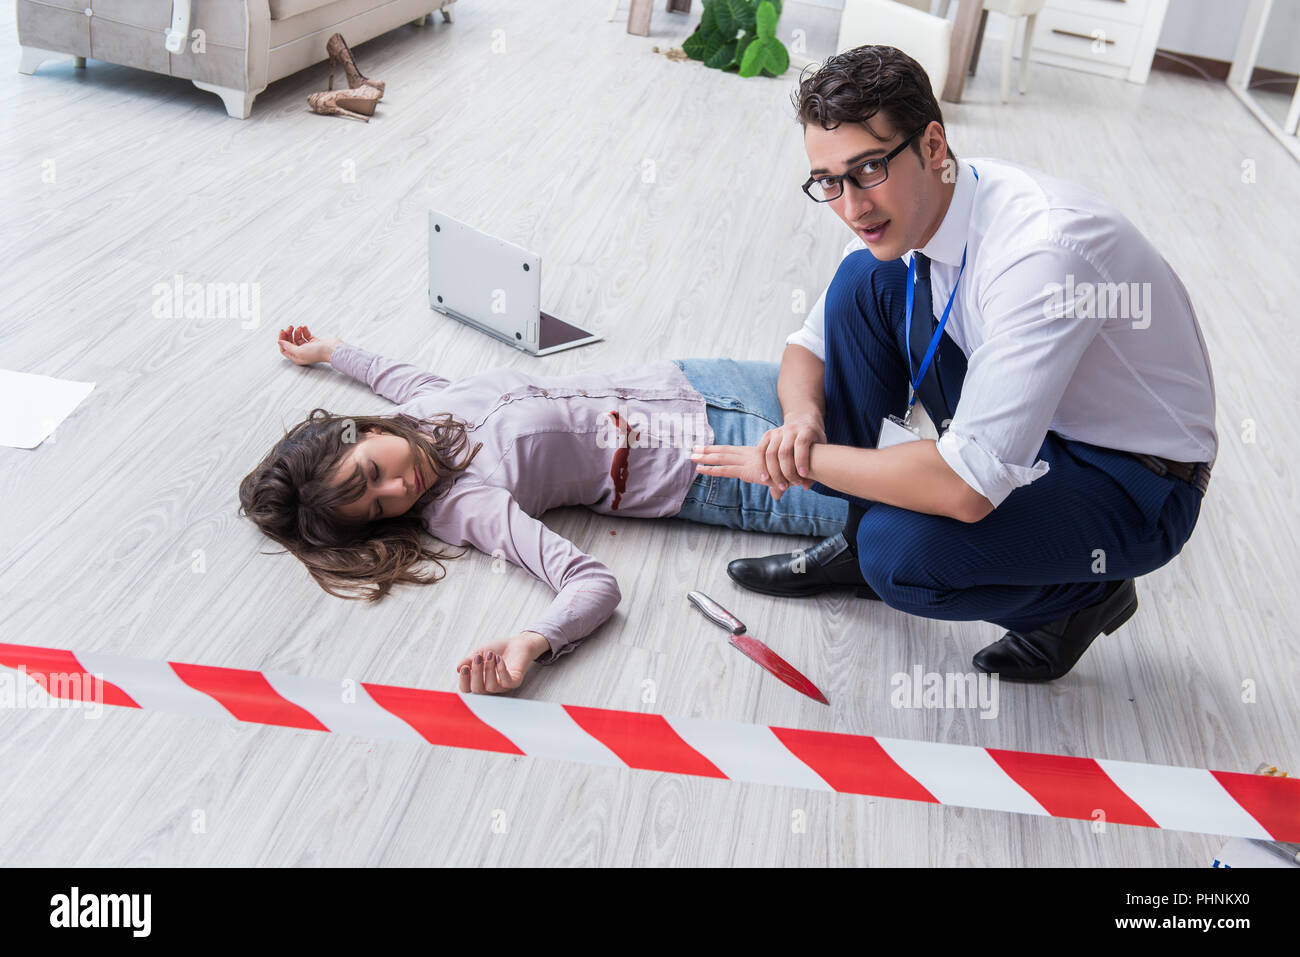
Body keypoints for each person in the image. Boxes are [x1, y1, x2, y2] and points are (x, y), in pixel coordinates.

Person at [692, 45, 1217, 682]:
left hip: (1135, 478)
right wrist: (802, 419)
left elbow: (965, 491)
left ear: (933, 145)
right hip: (1049, 422)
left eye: (870, 169)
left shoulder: (1041, 256)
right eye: (830, 181)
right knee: (866, 280)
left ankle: (1086, 594)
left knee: (901, 554)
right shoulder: (937, 201)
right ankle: (855, 544)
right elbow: (810, 346)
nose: (853, 206)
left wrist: (796, 462)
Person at [237, 325, 848, 694]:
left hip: (697, 381)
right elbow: (593, 582)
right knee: (911, 505)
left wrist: (329, 350)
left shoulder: (425, 408)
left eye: (374, 473)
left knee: (896, 411)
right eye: (377, 509)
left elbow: (388, 374)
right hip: (721, 467)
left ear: (366, 431)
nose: (397, 491)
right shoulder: (462, 504)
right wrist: (536, 641)